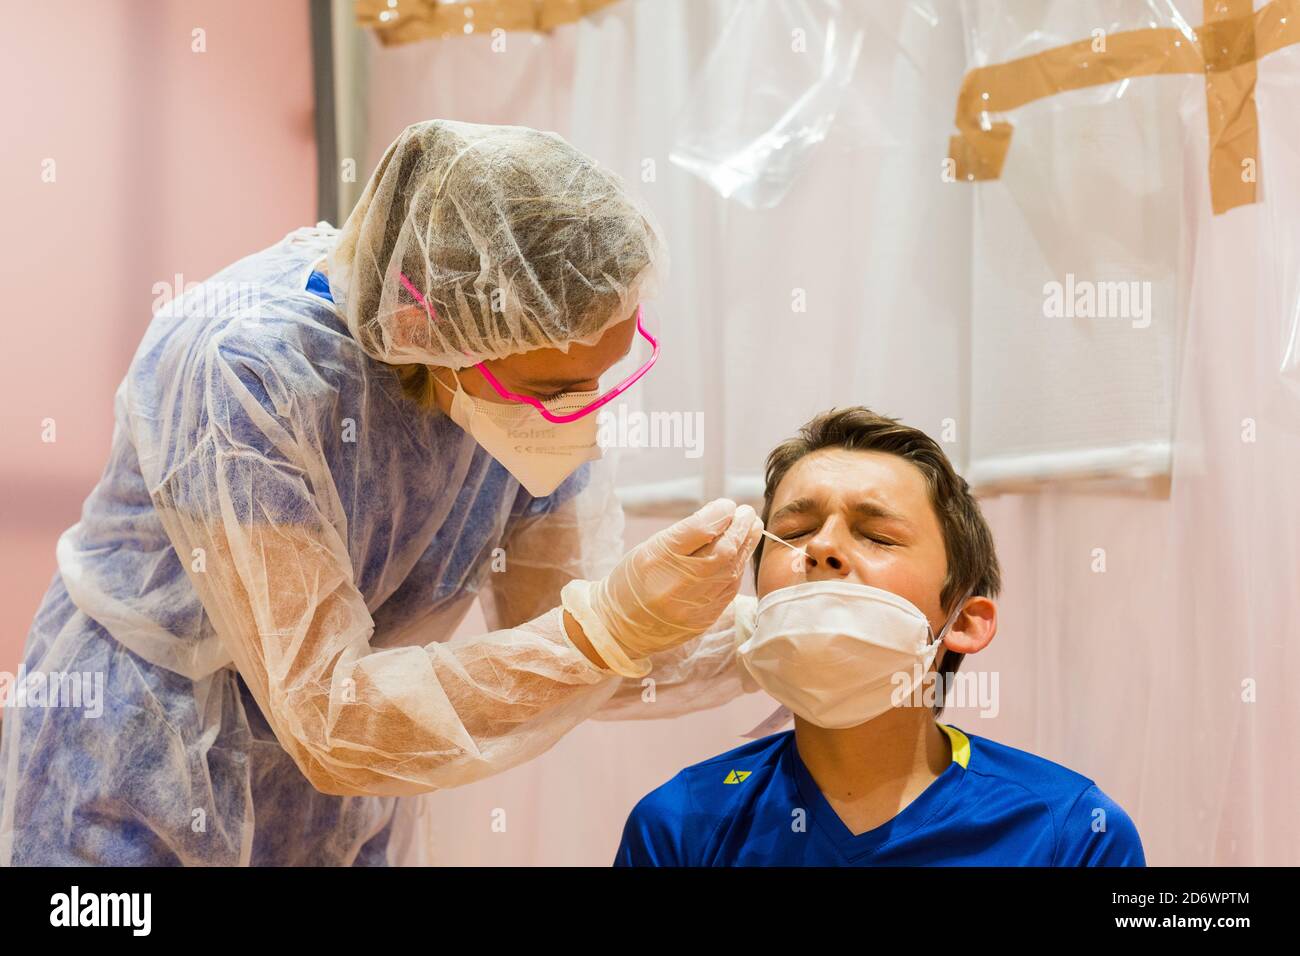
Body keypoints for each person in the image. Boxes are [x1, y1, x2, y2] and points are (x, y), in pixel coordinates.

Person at [0, 119, 763, 866]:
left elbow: (569, 649)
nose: (584, 417)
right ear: (428, 325)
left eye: (603, 379)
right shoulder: (250, 372)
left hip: (340, 800)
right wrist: (611, 628)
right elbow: (330, 716)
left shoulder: (521, 385)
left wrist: (772, 641)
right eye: (559, 388)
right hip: (143, 765)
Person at [615, 406, 1146, 866]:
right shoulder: (682, 824)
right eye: (794, 532)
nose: (822, 548)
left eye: (876, 535)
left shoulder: (1069, 833)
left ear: (962, 621)